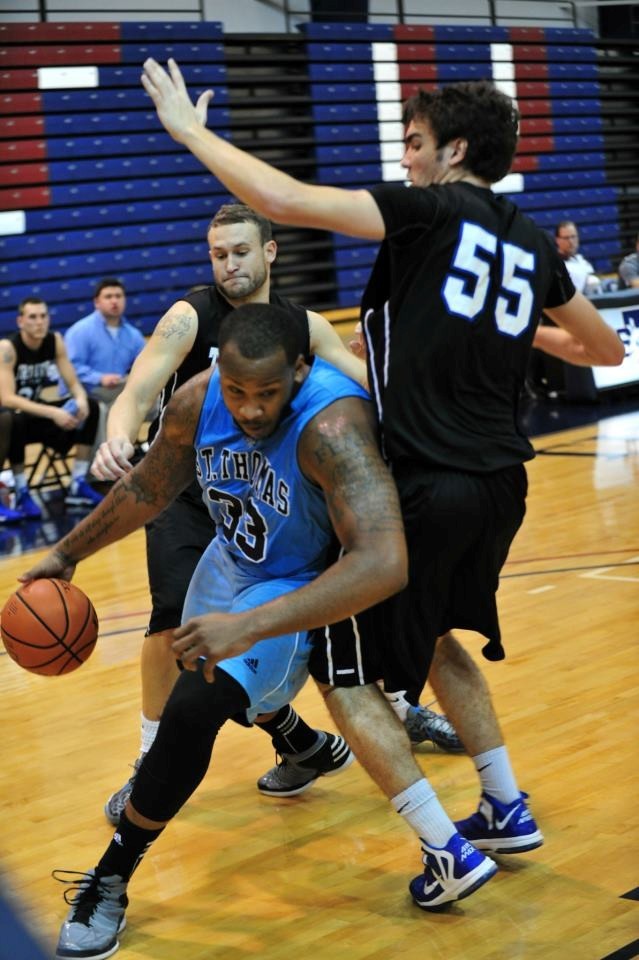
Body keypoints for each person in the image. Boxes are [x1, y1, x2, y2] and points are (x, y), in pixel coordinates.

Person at [140, 60, 624, 911]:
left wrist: (189, 132)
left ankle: (445, 851)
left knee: (342, 668)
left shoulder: (432, 212)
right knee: (436, 639)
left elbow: (286, 201)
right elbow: (602, 350)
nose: (405, 159)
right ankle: (503, 806)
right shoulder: (526, 235)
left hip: (427, 480)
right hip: (503, 483)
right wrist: (517, 333)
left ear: (454, 151)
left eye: (414, 144)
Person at [21, 302, 409, 960]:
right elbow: (149, 486)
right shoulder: (199, 402)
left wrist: (250, 624)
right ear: (217, 372)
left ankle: (110, 877)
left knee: (193, 707)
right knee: (204, 665)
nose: (251, 409)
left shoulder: (335, 424)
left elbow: (384, 562)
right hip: (232, 560)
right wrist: (67, 554)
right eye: (238, 391)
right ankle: (303, 744)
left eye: (267, 393)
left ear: (300, 369)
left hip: (298, 585)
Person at [92, 203, 461, 828]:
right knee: (173, 626)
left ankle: (383, 711)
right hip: (188, 491)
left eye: (240, 251)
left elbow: (370, 387)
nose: (228, 264)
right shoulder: (190, 316)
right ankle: (150, 763)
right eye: (217, 254)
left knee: (332, 611)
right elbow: (138, 386)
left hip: (272, 493)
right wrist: (118, 436)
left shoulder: (303, 325)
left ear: (269, 253)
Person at [0, 298, 105, 518]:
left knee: (92, 406)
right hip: (6, 422)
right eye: (32, 317)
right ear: (20, 321)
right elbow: (8, 399)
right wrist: (54, 412)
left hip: (34, 415)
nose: (39, 322)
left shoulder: (54, 341)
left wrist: (80, 399)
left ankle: (77, 482)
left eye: (43, 316)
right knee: (13, 417)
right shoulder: (8, 348)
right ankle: (21, 490)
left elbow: (74, 382)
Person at [64, 278, 146, 407]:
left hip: (118, 391)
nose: (114, 301)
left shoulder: (134, 335)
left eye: (118, 296)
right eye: (108, 297)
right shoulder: (80, 331)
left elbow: (144, 365)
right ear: (97, 302)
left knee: (157, 401)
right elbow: (70, 368)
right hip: (87, 393)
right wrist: (100, 378)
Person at [554, 220, 599, 295]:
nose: (571, 241)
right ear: (557, 240)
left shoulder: (582, 261)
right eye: (566, 238)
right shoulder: (554, 265)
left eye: (573, 237)